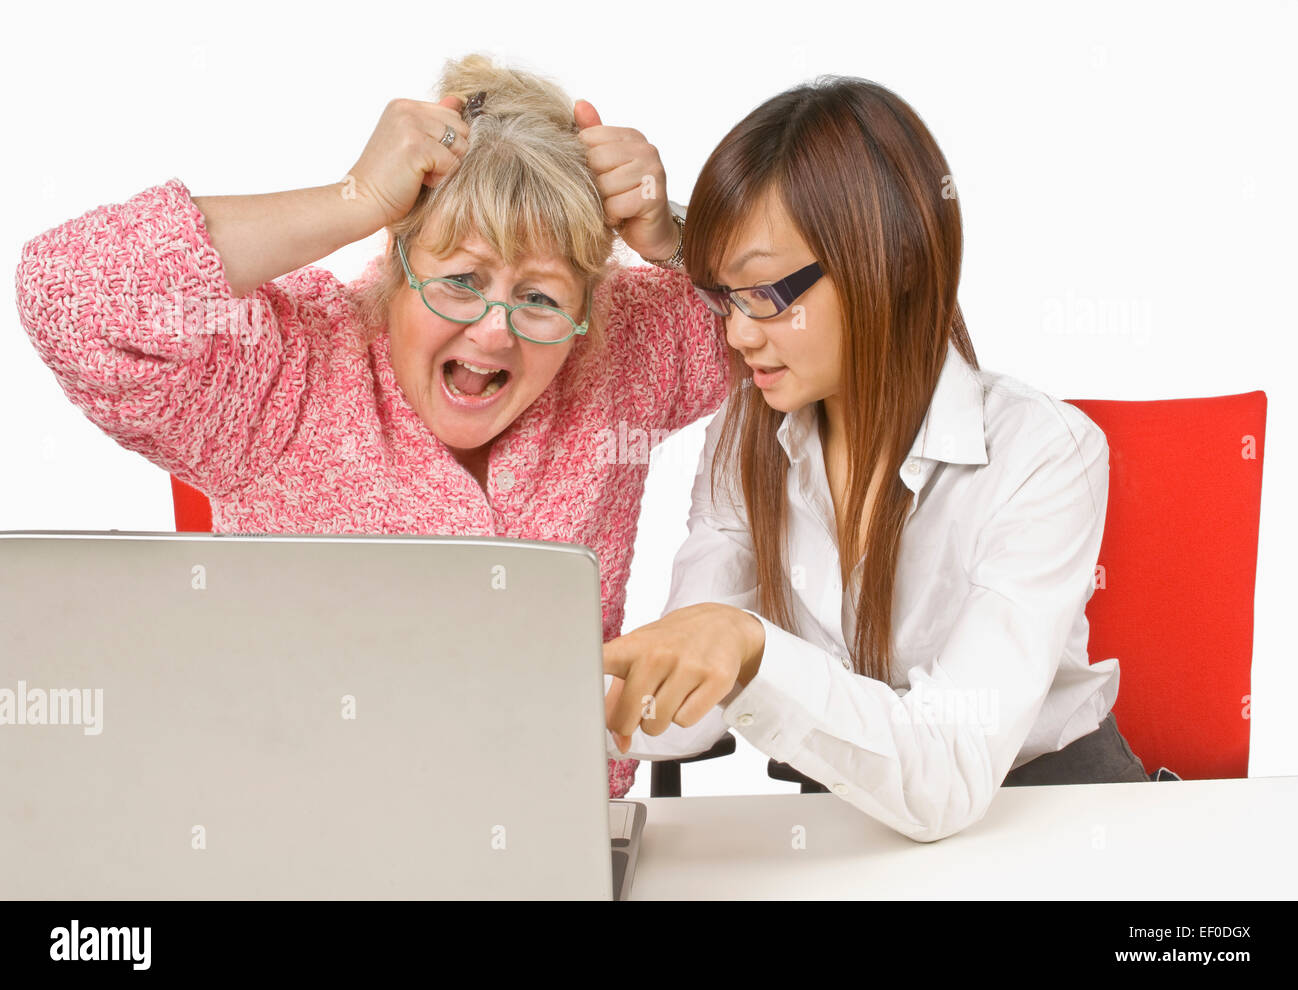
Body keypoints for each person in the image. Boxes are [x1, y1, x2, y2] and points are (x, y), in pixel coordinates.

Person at [14, 53, 728, 800]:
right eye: (460, 280)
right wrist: (351, 197)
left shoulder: (615, 354)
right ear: (394, 254)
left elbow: (790, 325)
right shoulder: (286, 371)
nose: (493, 334)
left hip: (557, 836)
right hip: (302, 835)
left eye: (541, 297)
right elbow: (69, 294)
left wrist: (675, 237)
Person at [602, 76, 1151, 841]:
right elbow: (685, 714)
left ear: (888, 267)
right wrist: (548, 699)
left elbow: (948, 770)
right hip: (855, 816)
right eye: (723, 296)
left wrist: (751, 648)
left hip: (1055, 818)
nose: (736, 335)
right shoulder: (746, 433)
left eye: (763, 294)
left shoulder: (1044, 454)